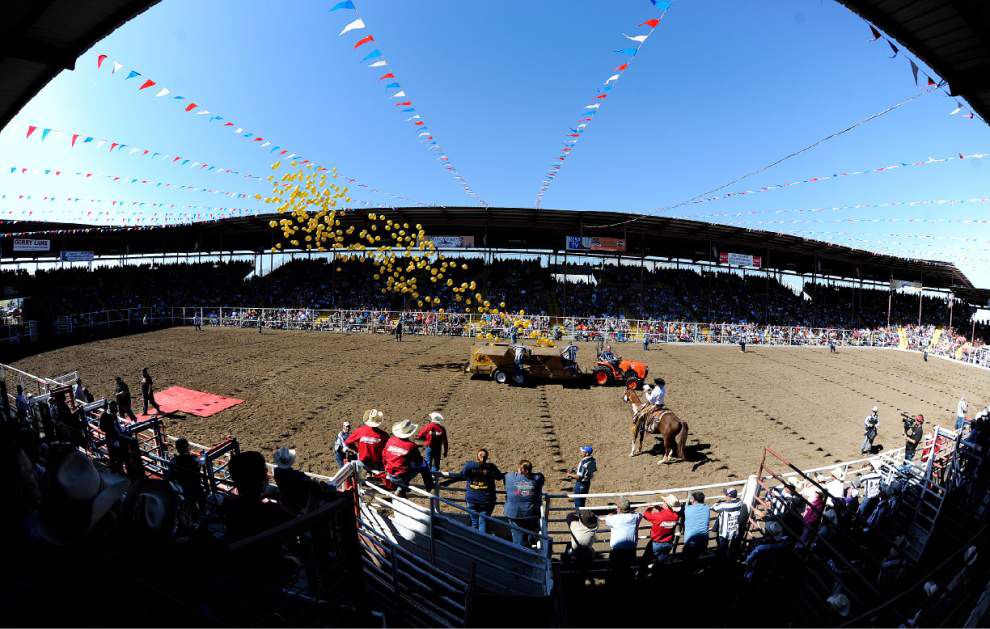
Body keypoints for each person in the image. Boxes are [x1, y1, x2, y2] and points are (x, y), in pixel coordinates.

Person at [459, 448, 504, 533]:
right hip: (486, 499)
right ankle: (482, 541)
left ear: (477, 457)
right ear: (486, 457)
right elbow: (499, 476)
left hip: (472, 498)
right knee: (483, 521)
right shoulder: (491, 467)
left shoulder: (470, 465)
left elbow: (462, 474)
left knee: (474, 522)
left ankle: (474, 542)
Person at [383, 419, 433, 496]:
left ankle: (401, 488)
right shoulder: (411, 446)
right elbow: (418, 461)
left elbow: (384, 455)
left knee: (403, 465)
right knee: (424, 464)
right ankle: (430, 486)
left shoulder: (390, 440)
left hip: (389, 472)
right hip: (401, 476)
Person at [504, 459, 545, 547]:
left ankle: (522, 555)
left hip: (514, 513)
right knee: (530, 533)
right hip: (531, 513)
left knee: (518, 537)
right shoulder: (537, 479)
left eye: (519, 468)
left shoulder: (510, 477)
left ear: (523, 470)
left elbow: (506, 475)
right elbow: (540, 476)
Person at [604, 498, 641, 583]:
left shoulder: (614, 519)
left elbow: (607, 520)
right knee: (627, 567)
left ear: (619, 509)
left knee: (615, 568)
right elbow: (639, 514)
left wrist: (613, 513)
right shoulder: (635, 517)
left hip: (617, 550)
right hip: (630, 549)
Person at [272, 447, 318, 515]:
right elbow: (313, 486)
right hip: (299, 503)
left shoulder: (276, 473)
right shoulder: (298, 475)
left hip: (286, 501)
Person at [641, 494, 680, 569]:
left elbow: (646, 515)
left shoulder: (658, 516)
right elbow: (667, 515)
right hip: (668, 543)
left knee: (645, 560)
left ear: (666, 504)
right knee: (660, 563)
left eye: (664, 501)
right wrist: (659, 508)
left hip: (656, 543)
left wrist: (649, 508)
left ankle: (641, 575)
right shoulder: (676, 516)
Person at [167, 437, 205, 511]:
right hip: (196, 488)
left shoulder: (173, 461)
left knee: (189, 507)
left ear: (177, 449)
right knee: (202, 504)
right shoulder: (194, 459)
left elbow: (170, 477)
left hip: (183, 490)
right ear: (187, 447)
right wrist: (203, 455)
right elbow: (202, 462)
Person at [713, 488, 748, 559]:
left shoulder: (723, 505)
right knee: (733, 549)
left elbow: (714, 508)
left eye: (726, 495)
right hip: (735, 531)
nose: (725, 496)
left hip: (724, 533)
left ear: (729, 496)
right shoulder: (740, 503)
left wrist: (717, 503)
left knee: (722, 549)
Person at [682, 491, 711, 562]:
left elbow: (680, 510)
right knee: (697, 556)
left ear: (693, 499)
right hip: (704, 539)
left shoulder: (687, 509)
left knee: (689, 559)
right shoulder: (707, 508)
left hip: (691, 540)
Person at [566, 445, 597, 510]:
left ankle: (580, 518)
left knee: (578, 505)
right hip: (587, 483)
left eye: (583, 451)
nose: (581, 453)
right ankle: (582, 517)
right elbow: (592, 470)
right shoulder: (593, 460)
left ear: (587, 453)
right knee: (582, 503)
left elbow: (579, 477)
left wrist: (570, 475)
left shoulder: (583, 462)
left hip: (580, 484)